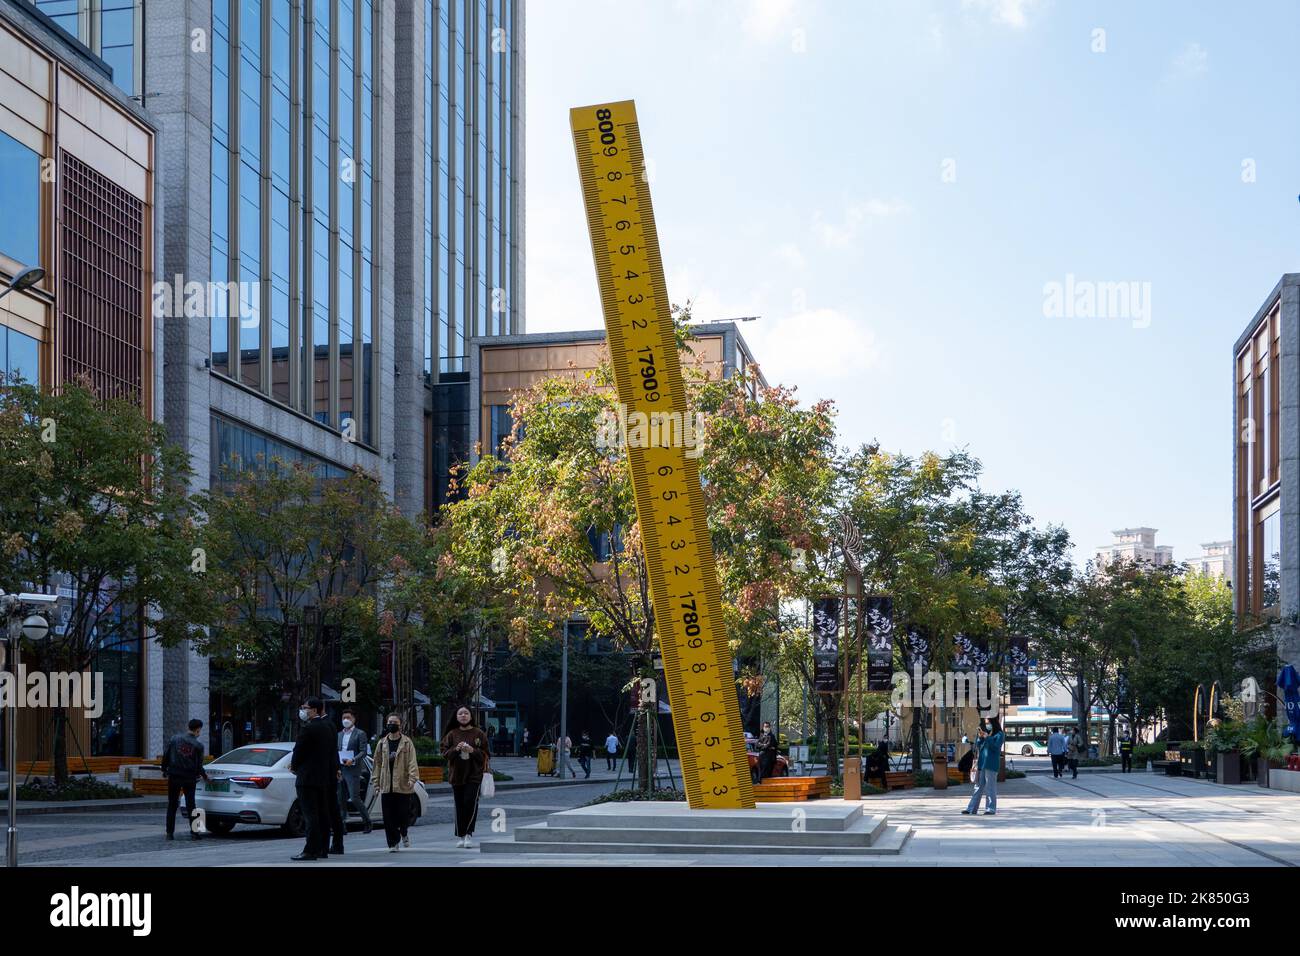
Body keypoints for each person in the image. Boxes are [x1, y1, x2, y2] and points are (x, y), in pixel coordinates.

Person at [289, 697, 340, 861]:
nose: (303, 710)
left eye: (306, 707)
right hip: (323, 778)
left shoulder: (308, 728)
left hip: (307, 778)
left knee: (310, 815)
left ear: (315, 710)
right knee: (322, 814)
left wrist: (294, 766)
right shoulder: (328, 727)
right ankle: (322, 848)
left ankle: (310, 850)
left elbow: (298, 752)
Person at [441, 705, 490, 848]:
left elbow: (486, 755)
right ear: (456, 717)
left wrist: (472, 750)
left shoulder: (479, 733)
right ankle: (461, 835)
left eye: (466, 713)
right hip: (456, 775)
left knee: (470, 802)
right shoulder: (451, 734)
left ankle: (468, 834)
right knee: (459, 805)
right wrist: (456, 749)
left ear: (471, 716)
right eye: (460, 713)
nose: (463, 715)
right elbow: (444, 753)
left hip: (474, 775)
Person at [372, 714, 420, 852]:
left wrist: (412, 778)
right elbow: (377, 763)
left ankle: (404, 832)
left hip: (403, 784)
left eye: (395, 722)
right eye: (389, 722)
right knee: (388, 817)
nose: (391, 724)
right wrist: (376, 783)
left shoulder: (407, 742)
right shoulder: (382, 743)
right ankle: (393, 843)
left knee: (403, 815)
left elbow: (412, 761)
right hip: (387, 785)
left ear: (400, 725)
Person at [161, 718, 208, 840]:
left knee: (172, 804)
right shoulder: (198, 745)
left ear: (188, 727)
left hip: (174, 775)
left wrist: (164, 769)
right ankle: (195, 833)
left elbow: (166, 755)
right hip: (189, 777)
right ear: (198, 729)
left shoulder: (174, 739)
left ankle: (169, 833)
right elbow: (199, 766)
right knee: (191, 804)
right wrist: (206, 777)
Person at [337, 707, 372, 834]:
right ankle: (342, 825)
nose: (346, 720)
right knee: (340, 799)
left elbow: (363, 751)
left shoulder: (360, 733)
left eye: (348, 718)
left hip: (353, 769)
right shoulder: (339, 735)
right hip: (341, 769)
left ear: (354, 719)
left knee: (354, 797)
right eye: (344, 718)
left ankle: (367, 821)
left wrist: (353, 759)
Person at [962, 717, 1004, 816]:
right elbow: (978, 745)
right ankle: (971, 809)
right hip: (982, 764)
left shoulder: (999, 735)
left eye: (988, 722)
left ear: (993, 723)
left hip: (991, 765)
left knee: (990, 787)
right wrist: (980, 737)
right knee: (978, 787)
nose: (986, 725)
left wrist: (987, 737)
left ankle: (990, 809)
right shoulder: (986, 734)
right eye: (986, 723)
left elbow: (995, 747)